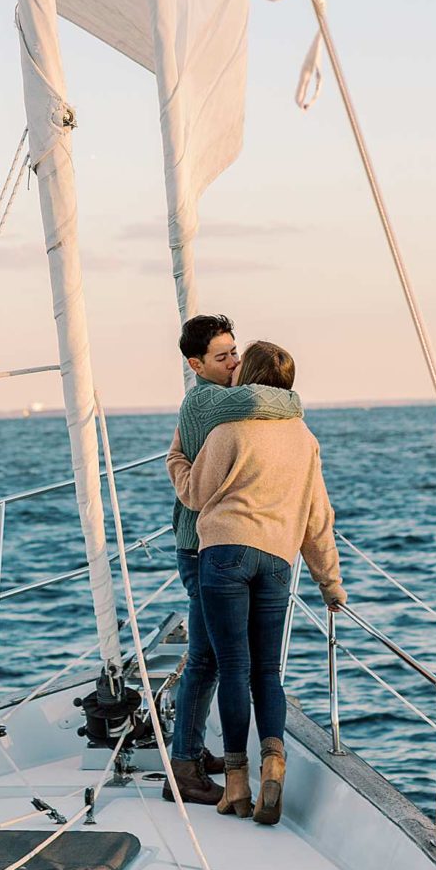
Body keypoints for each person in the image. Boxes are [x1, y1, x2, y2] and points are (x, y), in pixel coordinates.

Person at [168, 339, 344, 828]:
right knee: (267, 672)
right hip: (276, 561)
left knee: (231, 669)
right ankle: (273, 763)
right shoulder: (304, 438)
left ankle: (238, 785)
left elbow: (195, 494)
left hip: (224, 555)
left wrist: (177, 458)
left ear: (252, 377)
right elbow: (317, 518)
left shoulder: (230, 428)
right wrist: (330, 584)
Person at [164, 314, 304, 806]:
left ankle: (196, 754)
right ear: (196, 364)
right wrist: (291, 397)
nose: (233, 363)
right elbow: (265, 398)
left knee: (215, 660)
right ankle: (184, 767)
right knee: (207, 660)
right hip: (200, 543)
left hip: (216, 543)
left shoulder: (219, 401)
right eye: (222, 356)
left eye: (235, 353)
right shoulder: (213, 400)